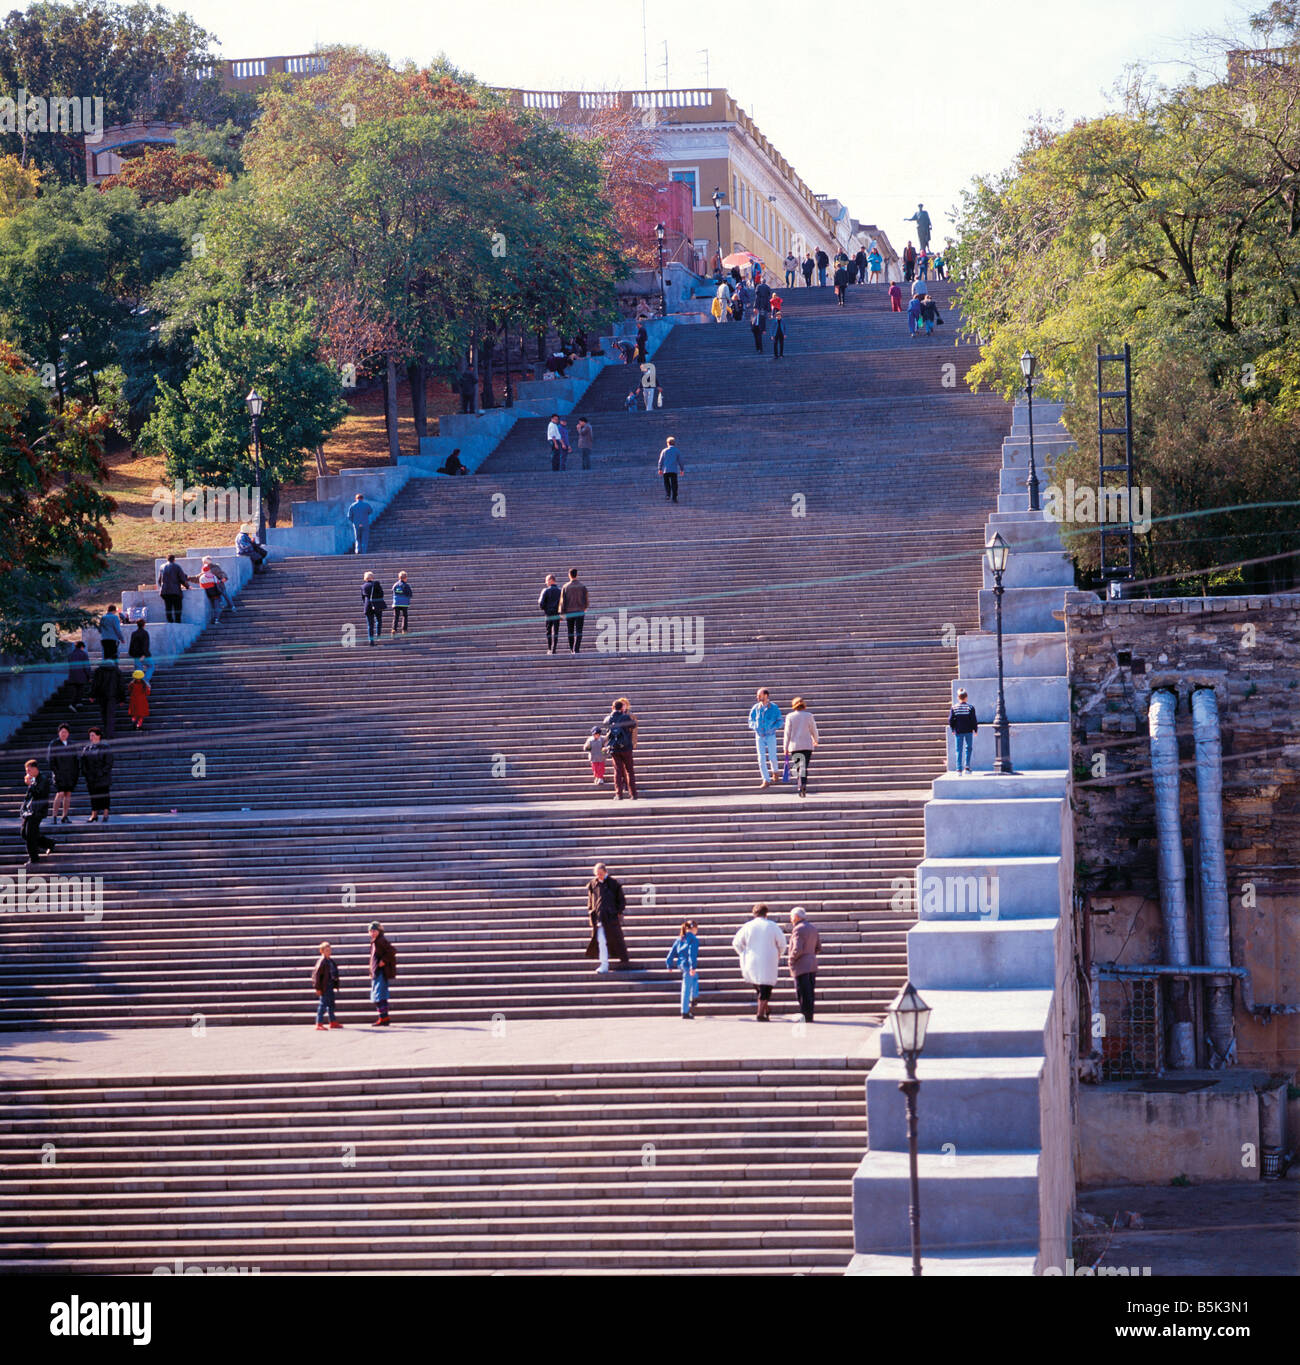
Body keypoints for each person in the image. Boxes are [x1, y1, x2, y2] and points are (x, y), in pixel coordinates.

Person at [731, 903, 786, 1022]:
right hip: (768, 959)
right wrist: (778, 954)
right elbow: (782, 943)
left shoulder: (747, 926)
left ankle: (765, 1008)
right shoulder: (772, 926)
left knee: (759, 986)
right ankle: (760, 1013)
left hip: (752, 959)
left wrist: (743, 953)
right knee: (766, 986)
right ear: (766, 913)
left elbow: (736, 943)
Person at [586, 862, 630, 972]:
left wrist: (618, 912)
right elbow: (591, 900)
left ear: (605, 872)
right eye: (597, 874)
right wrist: (591, 911)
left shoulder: (613, 883)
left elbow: (621, 900)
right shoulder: (592, 884)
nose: (598, 876)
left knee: (614, 939)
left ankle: (621, 958)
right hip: (599, 917)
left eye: (600, 873)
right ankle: (604, 964)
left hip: (611, 918)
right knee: (601, 940)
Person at [788, 906, 821, 1022]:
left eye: (791, 917)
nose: (791, 920)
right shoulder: (813, 928)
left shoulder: (798, 929)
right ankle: (809, 1015)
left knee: (802, 992)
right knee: (810, 992)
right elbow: (818, 947)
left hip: (801, 965)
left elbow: (797, 949)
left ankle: (804, 1015)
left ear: (796, 917)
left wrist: (791, 959)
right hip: (812, 964)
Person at [20, 759, 55, 866]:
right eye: (27, 771)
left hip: (37, 811)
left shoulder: (43, 779)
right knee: (24, 833)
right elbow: (28, 797)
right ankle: (49, 843)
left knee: (30, 834)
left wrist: (30, 785)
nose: (28, 773)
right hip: (29, 811)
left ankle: (34, 858)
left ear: (36, 769)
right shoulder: (33, 779)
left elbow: (39, 793)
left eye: (29, 770)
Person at [783, 696, 819, 798]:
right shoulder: (809, 715)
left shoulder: (790, 716)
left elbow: (787, 733)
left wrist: (785, 747)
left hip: (795, 746)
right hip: (807, 745)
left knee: (799, 767)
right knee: (804, 767)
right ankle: (803, 784)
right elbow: (813, 729)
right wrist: (816, 740)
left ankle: (800, 786)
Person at [603, 697, 637, 799]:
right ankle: (633, 794)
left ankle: (618, 794)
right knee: (630, 770)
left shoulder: (608, 718)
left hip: (614, 747)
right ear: (622, 707)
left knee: (617, 771)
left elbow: (605, 725)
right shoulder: (625, 717)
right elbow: (634, 725)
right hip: (626, 747)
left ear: (612, 707)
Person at [748, 687, 783, 787]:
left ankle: (775, 771)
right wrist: (755, 727)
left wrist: (774, 728)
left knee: (772, 756)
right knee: (761, 758)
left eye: (759, 695)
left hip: (770, 735)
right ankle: (766, 779)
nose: (757, 697)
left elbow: (780, 721)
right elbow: (750, 720)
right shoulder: (755, 708)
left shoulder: (774, 708)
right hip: (759, 735)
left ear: (766, 695)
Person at [665, 919, 701, 1018]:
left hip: (681, 964)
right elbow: (691, 954)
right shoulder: (693, 939)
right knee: (686, 987)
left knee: (695, 977)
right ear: (694, 928)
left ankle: (694, 997)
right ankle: (684, 1011)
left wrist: (669, 963)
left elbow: (672, 951)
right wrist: (692, 967)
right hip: (687, 965)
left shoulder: (680, 938)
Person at [47, 724, 80, 824]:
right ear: (59, 733)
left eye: (65, 732)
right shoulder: (54, 744)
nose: (64, 734)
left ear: (68, 734)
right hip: (59, 774)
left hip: (70, 774)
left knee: (68, 794)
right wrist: (56, 772)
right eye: (62, 732)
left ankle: (65, 816)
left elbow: (76, 760)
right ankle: (54, 816)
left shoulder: (71, 744)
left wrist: (75, 773)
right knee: (60, 793)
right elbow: (50, 759)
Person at [80, 728, 113, 822]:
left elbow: (109, 762)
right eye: (90, 735)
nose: (91, 737)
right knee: (93, 796)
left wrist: (102, 772)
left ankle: (105, 814)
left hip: (103, 776)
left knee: (104, 795)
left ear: (99, 736)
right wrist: (86, 773)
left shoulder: (105, 747)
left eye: (93, 735)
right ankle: (94, 814)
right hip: (91, 777)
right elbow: (83, 762)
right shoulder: (87, 748)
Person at [368, 920, 395, 1025]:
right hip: (376, 972)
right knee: (378, 995)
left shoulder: (380, 940)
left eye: (375, 930)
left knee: (379, 995)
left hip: (380, 972)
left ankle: (384, 1018)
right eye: (371, 931)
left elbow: (392, 951)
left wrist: (383, 960)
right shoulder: (375, 941)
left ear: (379, 931)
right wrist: (371, 970)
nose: (373, 932)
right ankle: (384, 1017)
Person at [89, 660, 125, 739]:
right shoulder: (117, 671)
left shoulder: (99, 671)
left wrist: (92, 695)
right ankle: (110, 734)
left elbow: (95, 684)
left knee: (104, 715)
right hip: (112, 696)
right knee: (110, 715)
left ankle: (107, 732)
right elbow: (121, 686)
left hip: (102, 696)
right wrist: (122, 699)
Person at [312, 941, 342, 1029]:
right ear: (322, 951)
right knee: (323, 1004)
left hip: (330, 985)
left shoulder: (330, 961)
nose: (328, 952)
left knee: (331, 1004)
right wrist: (317, 988)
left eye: (329, 950)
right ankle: (319, 1023)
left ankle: (332, 1021)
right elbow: (316, 975)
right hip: (324, 986)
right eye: (326, 950)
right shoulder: (322, 961)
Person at [948, 688, 979, 773]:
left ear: (958, 698)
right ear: (966, 697)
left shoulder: (954, 707)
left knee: (958, 750)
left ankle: (958, 769)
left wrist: (953, 728)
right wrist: (975, 730)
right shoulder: (970, 707)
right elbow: (973, 720)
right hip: (968, 731)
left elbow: (950, 719)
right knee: (968, 748)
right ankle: (967, 767)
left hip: (958, 731)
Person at [559, 568, 588, 655]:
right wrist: (585, 607)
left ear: (569, 575)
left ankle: (572, 649)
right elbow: (585, 599)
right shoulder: (582, 586)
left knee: (570, 631)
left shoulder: (565, 587)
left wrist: (561, 614)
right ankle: (576, 648)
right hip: (579, 611)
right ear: (577, 575)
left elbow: (562, 601)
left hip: (569, 611)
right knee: (579, 630)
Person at [157, 555, 189, 622]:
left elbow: (159, 580)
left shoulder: (162, 567)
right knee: (177, 608)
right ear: (174, 559)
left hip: (164, 592)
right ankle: (177, 622)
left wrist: (162, 587)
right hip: (175, 591)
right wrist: (187, 586)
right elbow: (182, 579)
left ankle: (170, 622)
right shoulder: (176, 566)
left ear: (167, 559)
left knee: (168, 608)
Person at [538, 573, 563, 654]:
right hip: (557, 613)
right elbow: (563, 603)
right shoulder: (560, 591)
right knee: (556, 631)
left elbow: (541, 603)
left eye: (546, 580)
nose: (546, 582)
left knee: (548, 631)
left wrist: (546, 609)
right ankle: (554, 648)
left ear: (551, 580)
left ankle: (549, 648)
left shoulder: (545, 591)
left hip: (548, 614)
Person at [197, 559, 224, 623]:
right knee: (218, 607)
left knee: (212, 607)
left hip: (208, 595)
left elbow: (201, 586)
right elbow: (217, 584)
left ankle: (213, 619)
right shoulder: (213, 576)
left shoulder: (201, 578)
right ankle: (216, 619)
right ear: (209, 570)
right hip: (216, 595)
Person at [66, 641, 91, 711]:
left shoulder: (71, 655)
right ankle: (74, 704)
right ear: (82, 647)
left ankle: (76, 704)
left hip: (72, 676)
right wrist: (89, 676)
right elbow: (86, 666)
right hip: (81, 676)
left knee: (74, 691)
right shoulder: (83, 654)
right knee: (80, 691)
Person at [361, 571, 385, 646]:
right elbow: (381, 594)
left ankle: (371, 641)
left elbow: (363, 598)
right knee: (378, 620)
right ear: (372, 577)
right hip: (377, 604)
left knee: (370, 625)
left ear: (365, 578)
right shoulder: (376, 584)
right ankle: (378, 635)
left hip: (368, 606)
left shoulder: (363, 586)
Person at [127, 619, 154, 685]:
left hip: (136, 655)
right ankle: (145, 680)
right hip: (144, 655)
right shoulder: (145, 633)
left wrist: (131, 653)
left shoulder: (134, 633)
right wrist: (144, 654)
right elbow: (146, 644)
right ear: (144, 625)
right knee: (151, 666)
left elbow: (131, 644)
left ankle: (139, 684)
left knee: (138, 670)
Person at [657, 437, 684, 503]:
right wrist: (682, 469)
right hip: (673, 470)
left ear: (667, 443)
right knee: (674, 484)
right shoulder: (677, 451)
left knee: (666, 483)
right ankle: (674, 497)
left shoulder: (664, 451)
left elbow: (660, 460)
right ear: (674, 443)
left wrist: (660, 469)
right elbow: (680, 461)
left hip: (666, 470)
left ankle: (668, 494)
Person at [391, 572, 412, 637]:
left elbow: (393, 591)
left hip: (396, 603)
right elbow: (410, 594)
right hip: (404, 603)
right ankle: (404, 630)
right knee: (405, 616)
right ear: (405, 578)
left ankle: (394, 629)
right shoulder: (406, 585)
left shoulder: (395, 585)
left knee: (396, 616)